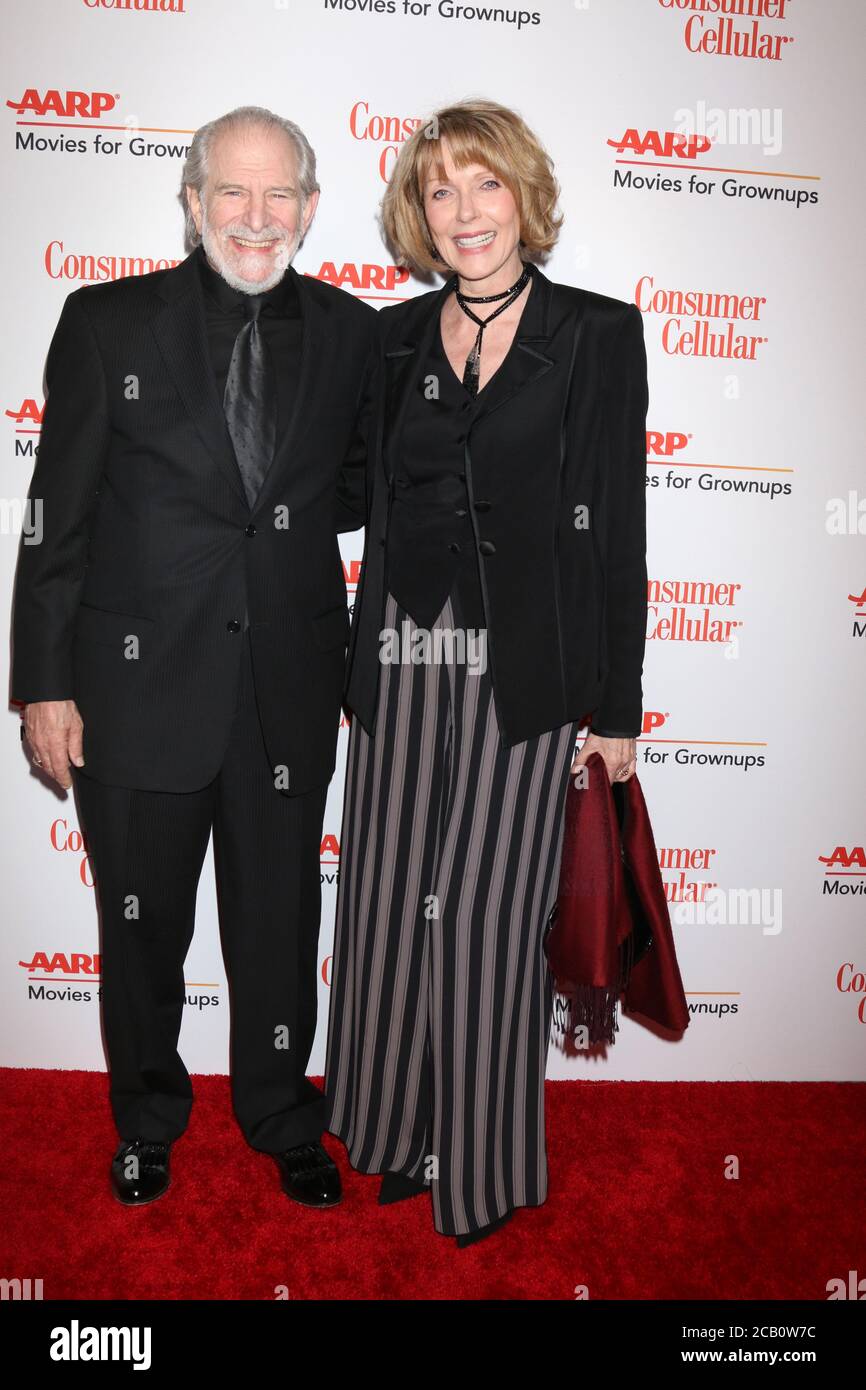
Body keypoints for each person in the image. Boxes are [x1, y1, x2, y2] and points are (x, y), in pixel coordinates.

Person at [10, 106, 375, 1209]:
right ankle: (146, 1119)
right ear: (192, 200)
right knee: (141, 926)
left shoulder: (354, 335)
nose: (255, 218)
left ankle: (280, 1115)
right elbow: (52, 517)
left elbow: (354, 495)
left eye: (280, 196)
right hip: (133, 687)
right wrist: (42, 681)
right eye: (232, 192)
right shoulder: (105, 323)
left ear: (310, 209)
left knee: (278, 924)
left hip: (285, 690)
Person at [324, 99, 649, 1246]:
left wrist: (616, 708)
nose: (462, 212)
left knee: (486, 917)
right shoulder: (391, 339)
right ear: (418, 213)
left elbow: (615, 524)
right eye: (438, 190)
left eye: (483, 185)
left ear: (523, 195)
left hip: (527, 668)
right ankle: (387, 1129)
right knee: (382, 904)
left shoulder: (598, 335)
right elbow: (355, 493)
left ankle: (482, 1164)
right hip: (406, 656)